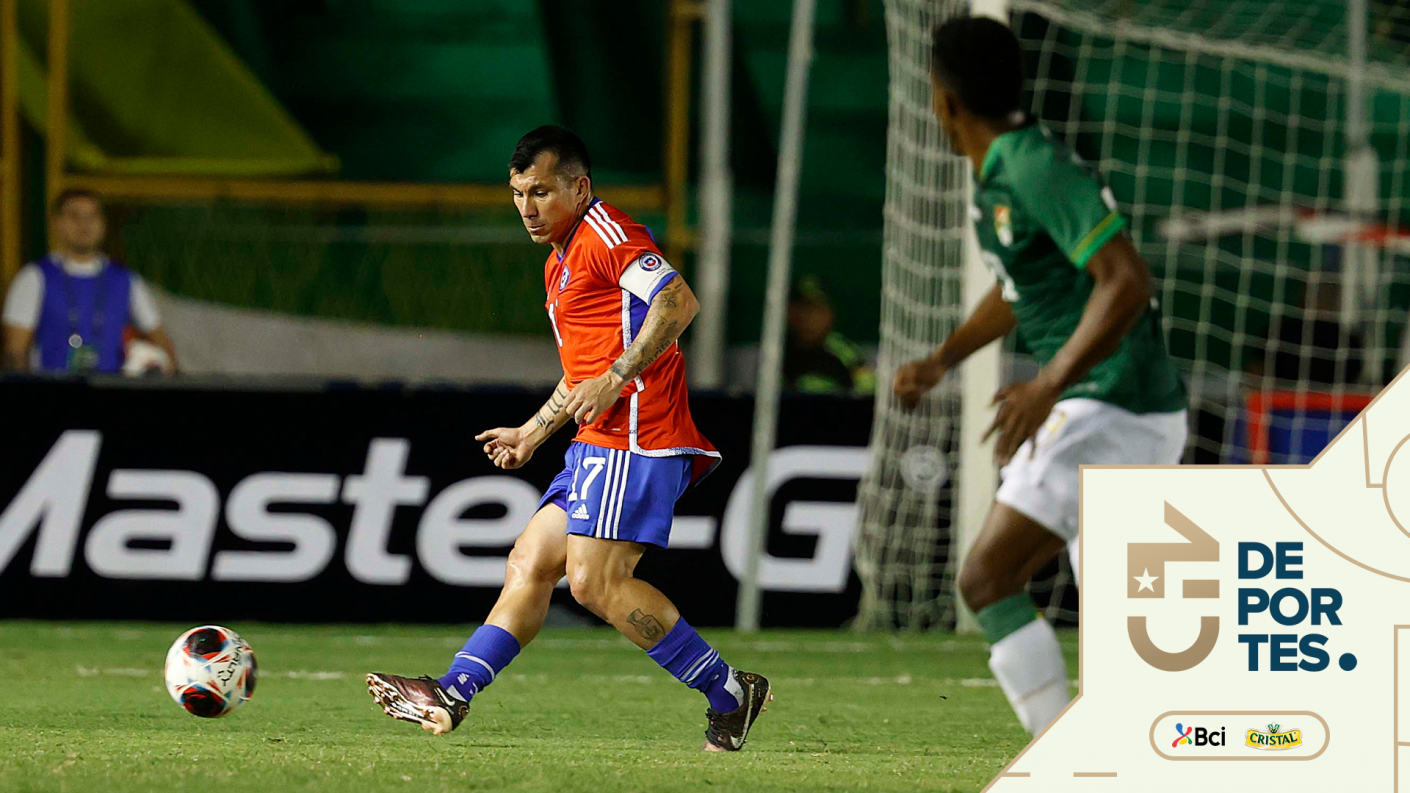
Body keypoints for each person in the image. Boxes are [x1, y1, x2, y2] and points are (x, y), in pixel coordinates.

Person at [366, 126, 771, 751]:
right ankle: (453, 691)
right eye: (518, 194)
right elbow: (583, 368)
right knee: (528, 564)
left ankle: (728, 690)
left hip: (637, 438)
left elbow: (678, 302)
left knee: (593, 584)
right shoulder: (561, 257)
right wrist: (534, 431)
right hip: (595, 441)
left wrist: (616, 379)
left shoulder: (608, 235)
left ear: (580, 188)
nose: (528, 208)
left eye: (543, 192)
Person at [893, 18, 1188, 736]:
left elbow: (1125, 280)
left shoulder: (1031, 166)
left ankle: (1065, 760)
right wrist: (944, 359)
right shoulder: (1003, 171)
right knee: (1118, 617)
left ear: (944, 99)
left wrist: (1048, 383)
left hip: (1109, 401)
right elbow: (1023, 288)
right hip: (1122, 404)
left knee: (986, 579)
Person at [1, 189, 178, 374]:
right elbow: (15, 352)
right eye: (74, 216)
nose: (84, 224)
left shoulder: (126, 280)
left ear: (103, 224)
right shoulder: (34, 277)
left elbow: (162, 342)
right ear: (57, 223)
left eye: (92, 216)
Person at [784, 274, 876, 394]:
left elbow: (868, 391)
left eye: (815, 309)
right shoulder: (775, 349)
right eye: (800, 307)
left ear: (830, 314)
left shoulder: (844, 351)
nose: (805, 317)